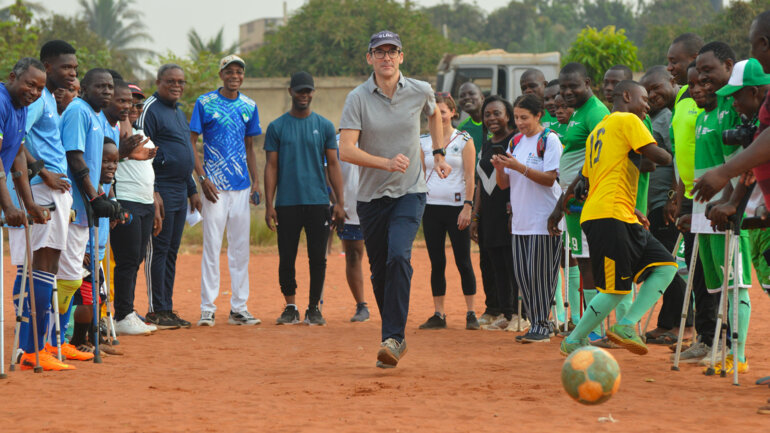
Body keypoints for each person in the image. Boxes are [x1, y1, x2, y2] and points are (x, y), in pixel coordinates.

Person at [339, 30, 451, 368]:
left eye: (393, 51)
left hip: (410, 191)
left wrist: (439, 152)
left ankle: (393, 338)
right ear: (370, 58)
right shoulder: (357, 98)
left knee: (399, 256)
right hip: (371, 197)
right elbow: (346, 150)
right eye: (380, 52)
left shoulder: (420, 90)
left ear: (401, 57)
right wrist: (384, 162)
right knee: (379, 270)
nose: (386, 57)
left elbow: (434, 113)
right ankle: (392, 335)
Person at [557, 80, 677, 356]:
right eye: (643, 98)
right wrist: (670, 153)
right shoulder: (627, 120)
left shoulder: (597, 131)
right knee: (615, 289)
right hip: (610, 216)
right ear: (626, 96)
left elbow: (585, 184)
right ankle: (575, 339)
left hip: (616, 213)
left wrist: (631, 207)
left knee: (666, 266)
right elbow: (658, 157)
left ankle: (625, 325)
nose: (647, 105)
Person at [8, 43, 92, 365]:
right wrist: (43, 173)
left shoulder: (46, 99)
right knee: (37, 267)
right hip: (40, 190)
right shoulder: (37, 100)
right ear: (47, 65)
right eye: (66, 67)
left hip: (51, 190)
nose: (72, 73)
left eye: (75, 67)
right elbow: (18, 139)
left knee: (47, 269)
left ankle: (37, 346)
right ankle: (30, 349)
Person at [689, 42, 751, 374]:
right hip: (706, 212)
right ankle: (723, 345)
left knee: (734, 281)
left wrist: (730, 204)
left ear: (729, 66)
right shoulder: (706, 114)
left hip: (728, 208)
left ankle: (737, 353)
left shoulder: (732, 106)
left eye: (708, 70)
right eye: (699, 72)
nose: (703, 78)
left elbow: (738, 165)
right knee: (717, 285)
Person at [265, 71, 345, 326]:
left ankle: (313, 308)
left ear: (313, 92)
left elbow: (333, 164)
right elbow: (271, 167)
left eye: (308, 90)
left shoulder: (324, 126)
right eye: (300, 90)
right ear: (291, 92)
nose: (304, 95)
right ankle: (290, 306)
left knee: (318, 257)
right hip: (287, 202)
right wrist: (269, 204)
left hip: (318, 201)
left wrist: (340, 203)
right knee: (286, 256)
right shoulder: (277, 127)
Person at [190, 55, 262, 327]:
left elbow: (250, 148)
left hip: (241, 187)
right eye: (229, 71)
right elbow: (192, 143)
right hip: (214, 188)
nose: (234, 76)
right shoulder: (205, 103)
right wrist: (203, 178)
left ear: (243, 76)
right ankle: (207, 308)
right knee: (212, 247)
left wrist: (256, 182)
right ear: (221, 74)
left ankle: (239, 308)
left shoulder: (249, 106)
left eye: (239, 72)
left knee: (240, 249)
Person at [2, 58, 58, 370]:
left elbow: (18, 157)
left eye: (39, 88)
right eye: (29, 85)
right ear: (12, 77)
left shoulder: (21, 108)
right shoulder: (0, 102)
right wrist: (9, 206)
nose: (34, 92)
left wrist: (29, 205)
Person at [492, 93, 563, 342]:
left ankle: (542, 325)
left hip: (545, 220)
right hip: (521, 221)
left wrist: (518, 167)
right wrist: (501, 168)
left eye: (525, 118)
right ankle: (537, 323)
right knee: (524, 277)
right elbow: (504, 185)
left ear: (539, 115)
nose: (520, 123)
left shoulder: (550, 140)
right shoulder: (516, 142)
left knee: (540, 276)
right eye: (517, 118)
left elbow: (550, 178)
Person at [139, 64, 201, 330]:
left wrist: (192, 189)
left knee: (171, 251)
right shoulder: (150, 109)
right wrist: (152, 192)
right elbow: (141, 153)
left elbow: (185, 152)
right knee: (157, 249)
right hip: (160, 189)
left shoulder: (178, 112)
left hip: (179, 189)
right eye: (171, 81)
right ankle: (155, 310)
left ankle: (167, 307)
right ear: (159, 82)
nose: (177, 85)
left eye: (181, 82)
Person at [551, 62, 610, 334]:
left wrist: (568, 198)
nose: (567, 92)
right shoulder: (578, 113)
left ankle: (594, 328)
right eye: (563, 87)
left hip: (585, 199)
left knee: (589, 263)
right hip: (573, 200)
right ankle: (588, 325)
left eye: (573, 86)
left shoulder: (596, 112)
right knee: (583, 260)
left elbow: (603, 156)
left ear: (588, 83)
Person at [637, 66, 692, 344]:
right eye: (647, 92)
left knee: (668, 264)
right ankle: (670, 322)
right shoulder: (652, 118)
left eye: (656, 88)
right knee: (663, 265)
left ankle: (681, 324)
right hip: (651, 205)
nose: (652, 96)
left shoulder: (669, 118)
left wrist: (674, 197)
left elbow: (677, 158)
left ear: (671, 82)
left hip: (665, 204)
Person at [418, 92, 478, 330]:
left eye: (443, 112)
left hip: (457, 209)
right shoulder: (423, 141)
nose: (439, 116)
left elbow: (470, 175)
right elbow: (422, 174)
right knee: (437, 262)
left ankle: (471, 312)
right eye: (434, 112)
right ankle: (438, 314)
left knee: (463, 260)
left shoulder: (464, 140)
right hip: (431, 208)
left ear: (453, 113)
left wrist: (468, 206)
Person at [469, 96, 524, 332]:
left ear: (508, 116)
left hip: (510, 210)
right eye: (487, 114)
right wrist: (475, 215)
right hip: (489, 214)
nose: (491, 118)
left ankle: (520, 314)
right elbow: (481, 182)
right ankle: (505, 312)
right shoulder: (487, 142)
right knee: (495, 264)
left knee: (512, 264)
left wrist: (514, 210)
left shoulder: (516, 140)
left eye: (496, 113)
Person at [335, 134, 369, 322]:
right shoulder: (336, 140)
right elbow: (329, 170)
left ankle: (389, 302)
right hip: (349, 209)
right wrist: (335, 203)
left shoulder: (377, 135)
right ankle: (361, 305)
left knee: (387, 256)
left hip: (378, 204)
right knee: (353, 255)